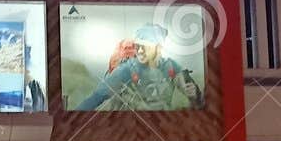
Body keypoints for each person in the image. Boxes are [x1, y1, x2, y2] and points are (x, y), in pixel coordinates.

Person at [73, 23, 201, 111]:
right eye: (137, 46)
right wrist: (71, 119)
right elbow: (96, 97)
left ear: (158, 47)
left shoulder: (172, 66)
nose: (139, 51)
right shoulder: (126, 70)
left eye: (144, 47)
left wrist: (195, 95)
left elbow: (198, 102)